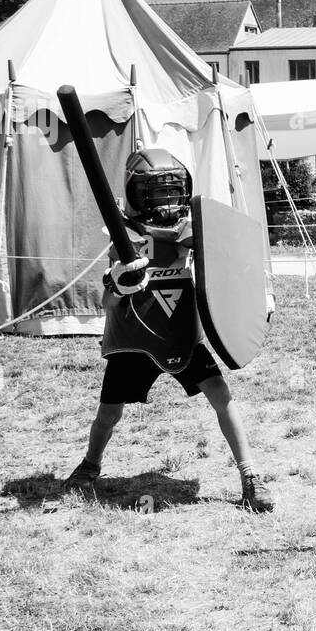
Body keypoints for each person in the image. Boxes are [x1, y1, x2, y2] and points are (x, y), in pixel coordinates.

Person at [62, 148, 273, 512]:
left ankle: (250, 475)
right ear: (137, 193)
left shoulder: (196, 231)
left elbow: (230, 261)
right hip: (135, 340)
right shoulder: (123, 238)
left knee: (221, 396)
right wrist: (118, 285)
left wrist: (254, 291)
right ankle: (91, 464)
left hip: (182, 335)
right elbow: (107, 305)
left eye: (171, 192)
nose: (165, 202)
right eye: (156, 192)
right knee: (109, 414)